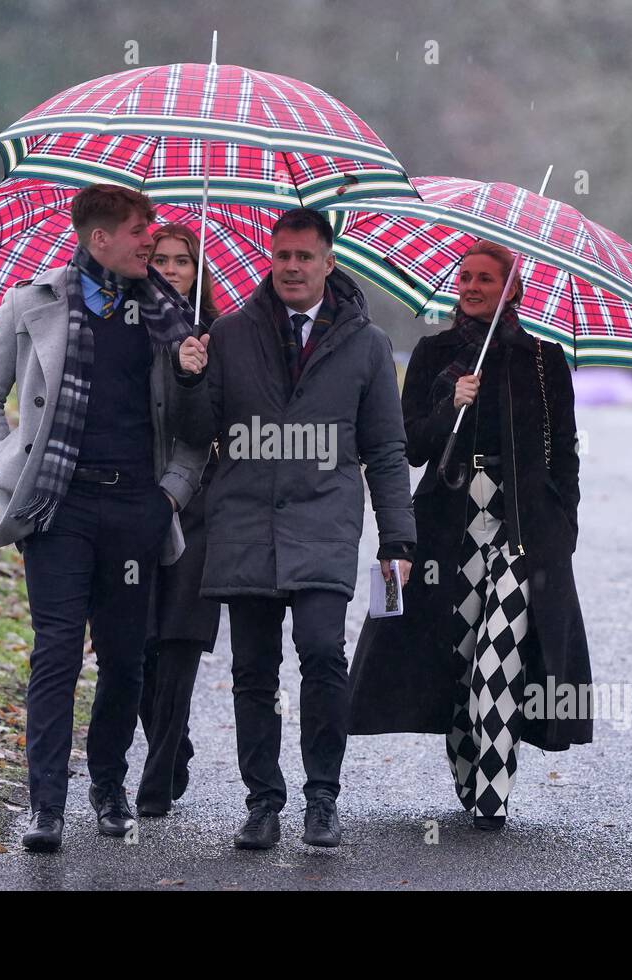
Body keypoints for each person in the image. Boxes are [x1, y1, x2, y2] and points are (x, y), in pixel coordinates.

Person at [0, 184, 211, 853]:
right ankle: (46, 803)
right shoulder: (31, 303)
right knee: (57, 652)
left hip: (138, 510)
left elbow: (197, 431)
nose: (150, 239)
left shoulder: (171, 317)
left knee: (126, 660)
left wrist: (171, 494)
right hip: (57, 508)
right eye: (137, 230)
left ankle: (108, 784)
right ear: (99, 237)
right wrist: (4, 467)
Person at [176, 208, 415, 850]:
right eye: (282, 255)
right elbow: (199, 433)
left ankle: (323, 797)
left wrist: (398, 541)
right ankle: (262, 802)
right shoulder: (227, 334)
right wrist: (190, 376)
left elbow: (386, 450)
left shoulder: (366, 346)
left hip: (324, 525)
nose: (291, 267)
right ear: (270, 258)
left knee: (322, 655)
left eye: (304, 257)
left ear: (329, 262)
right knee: (254, 670)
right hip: (245, 523)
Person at [348, 240, 593, 832]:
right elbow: (408, 447)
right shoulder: (434, 355)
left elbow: (566, 453)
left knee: (498, 658)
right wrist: (448, 400)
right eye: (466, 277)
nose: (472, 286)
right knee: (458, 663)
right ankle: (469, 775)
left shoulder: (543, 359)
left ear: (512, 290)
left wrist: (565, 526)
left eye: (487, 278)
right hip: (448, 534)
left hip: (522, 535)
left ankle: (492, 794)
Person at [134, 222, 224, 817]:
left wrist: (195, 375)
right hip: (130, 503)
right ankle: (175, 742)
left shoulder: (219, 337)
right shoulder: (120, 331)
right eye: (159, 259)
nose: (169, 270)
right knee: (137, 642)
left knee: (179, 638)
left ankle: (158, 771)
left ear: (198, 273)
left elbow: (211, 429)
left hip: (199, 506)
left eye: (182, 262)